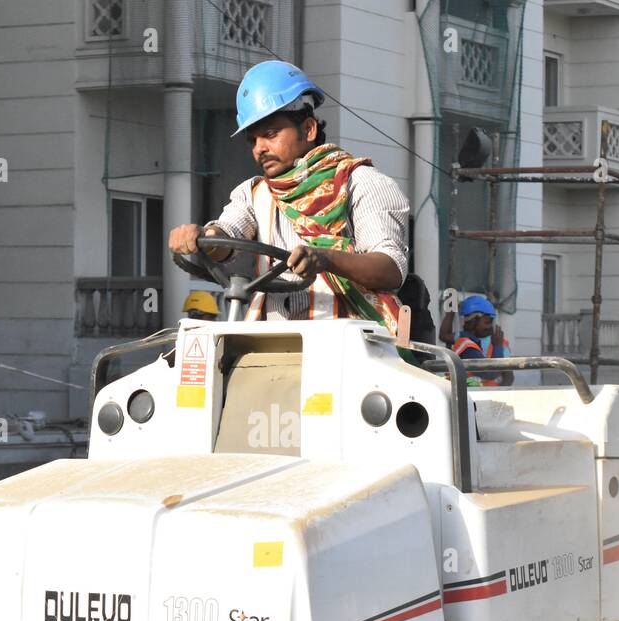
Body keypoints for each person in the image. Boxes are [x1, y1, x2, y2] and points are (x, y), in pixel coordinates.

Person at [167, 61, 409, 335]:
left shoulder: (361, 182)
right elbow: (226, 237)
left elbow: (391, 270)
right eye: (253, 139)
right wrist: (201, 236)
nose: (260, 148)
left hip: (350, 346)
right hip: (271, 345)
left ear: (308, 129)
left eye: (270, 134)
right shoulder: (254, 193)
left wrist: (327, 259)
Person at [447, 294, 512, 387]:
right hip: (469, 397)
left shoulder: (472, 343)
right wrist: (497, 346)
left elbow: (509, 377)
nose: (490, 326)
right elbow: (490, 374)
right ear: (473, 322)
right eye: (487, 322)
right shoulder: (467, 346)